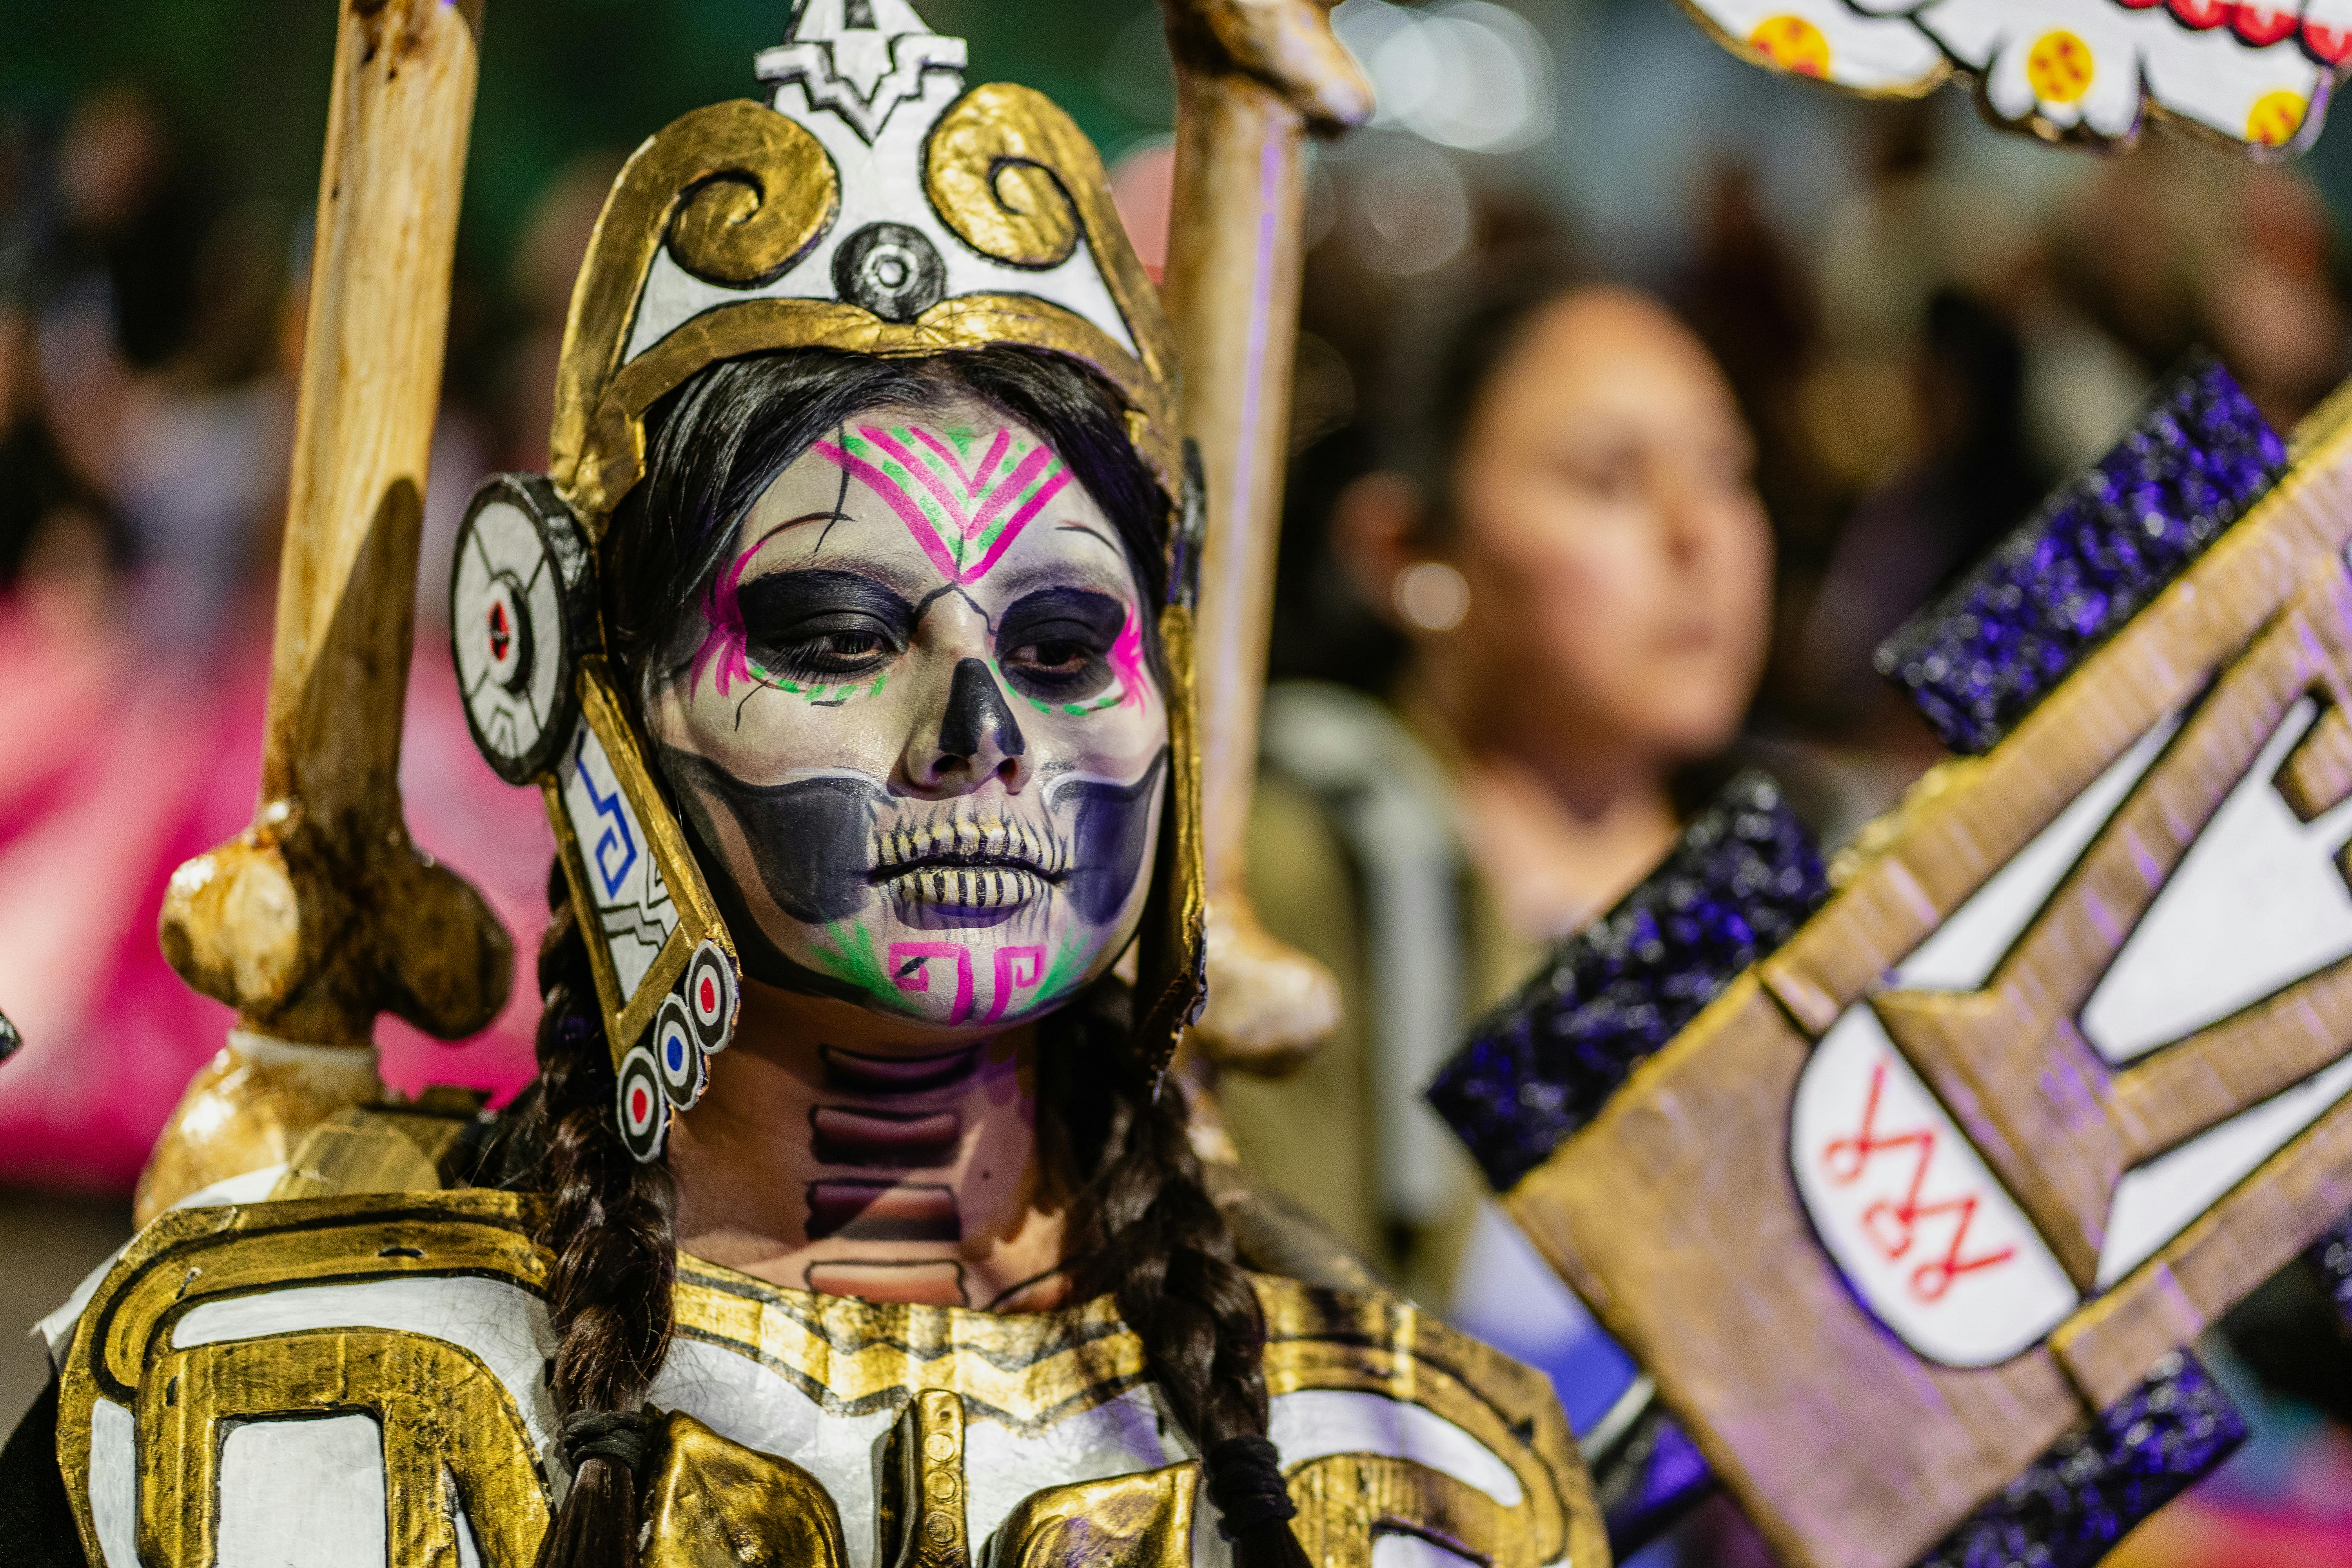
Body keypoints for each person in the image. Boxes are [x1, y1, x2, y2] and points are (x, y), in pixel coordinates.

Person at [0, 7, 1600, 1568]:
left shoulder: (1410, 1471)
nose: (980, 731)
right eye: (837, 637)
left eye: (1062, 647)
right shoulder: (247, 1415)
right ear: (578, 674)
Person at [1222, 263, 1777, 1390]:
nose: (1698, 534)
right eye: (1607, 480)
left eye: (1727, 472)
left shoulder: (1806, 862)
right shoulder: (1296, 869)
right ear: (1405, 551)